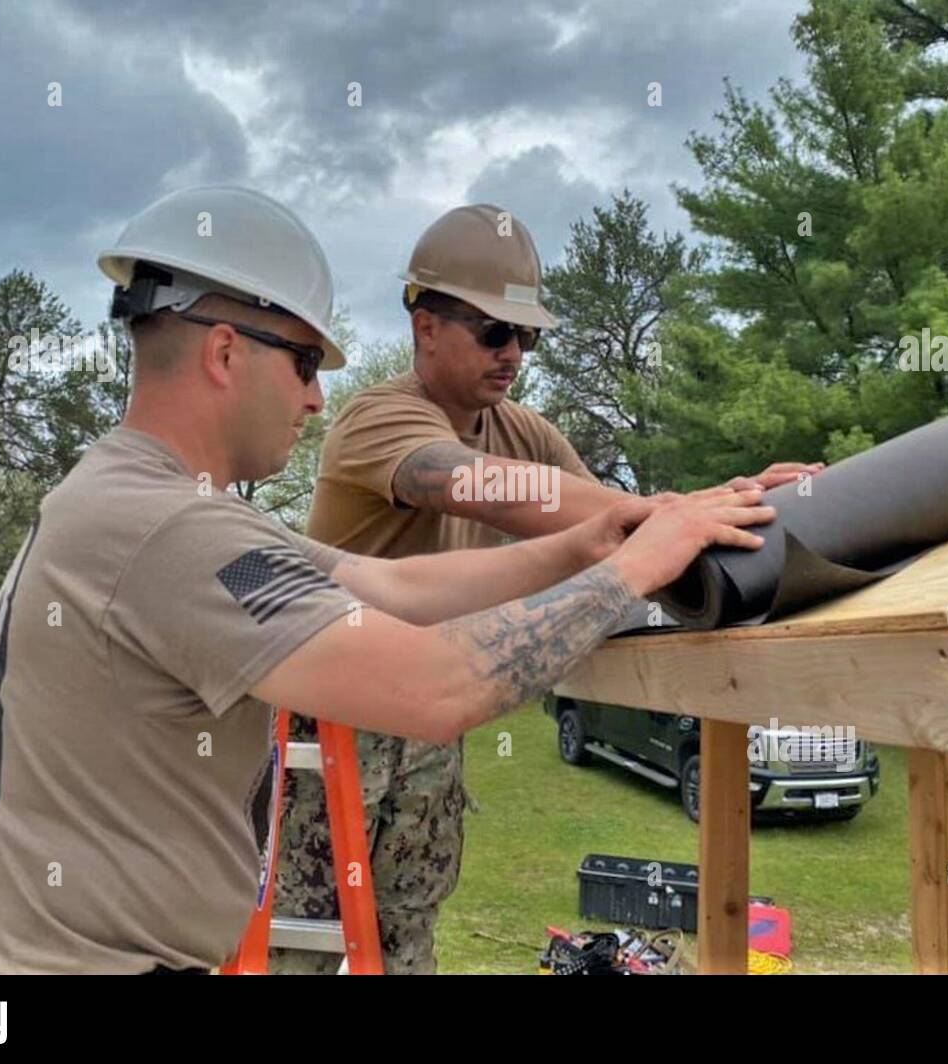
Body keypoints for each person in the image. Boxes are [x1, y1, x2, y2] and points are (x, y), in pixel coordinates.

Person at [0, 186, 775, 975]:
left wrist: (589, 540)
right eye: (303, 362)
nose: (319, 398)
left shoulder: (150, 502)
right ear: (224, 352)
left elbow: (386, 586)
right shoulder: (174, 528)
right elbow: (437, 683)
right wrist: (636, 564)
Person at [274, 204, 819, 974]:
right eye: (495, 332)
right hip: (332, 722)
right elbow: (486, 489)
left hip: (429, 711)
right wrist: (676, 513)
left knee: (405, 929)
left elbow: (614, 521)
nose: (514, 353)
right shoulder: (377, 419)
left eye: (526, 336)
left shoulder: (518, 427)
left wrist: (728, 507)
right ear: (426, 326)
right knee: (304, 931)